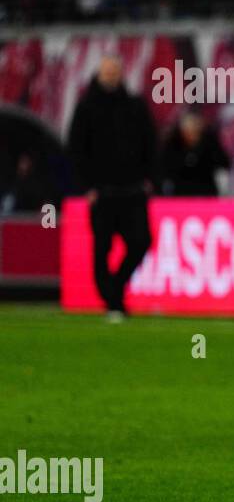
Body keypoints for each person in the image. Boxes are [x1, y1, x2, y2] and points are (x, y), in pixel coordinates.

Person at [66, 55, 157, 320]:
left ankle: (115, 289)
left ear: (121, 73)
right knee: (102, 247)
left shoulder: (135, 105)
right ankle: (113, 301)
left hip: (132, 190)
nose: (111, 76)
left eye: (115, 71)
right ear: (99, 74)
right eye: (107, 72)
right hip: (102, 193)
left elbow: (150, 143)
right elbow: (75, 150)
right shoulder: (86, 108)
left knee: (141, 241)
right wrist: (86, 187)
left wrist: (150, 179)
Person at [159, 111, 231, 196]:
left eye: (195, 131)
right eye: (188, 132)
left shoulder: (210, 143)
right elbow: (165, 168)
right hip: (180, 194)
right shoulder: (173, 145)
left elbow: (224, 163)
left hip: (206, 193)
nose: (191, 135)